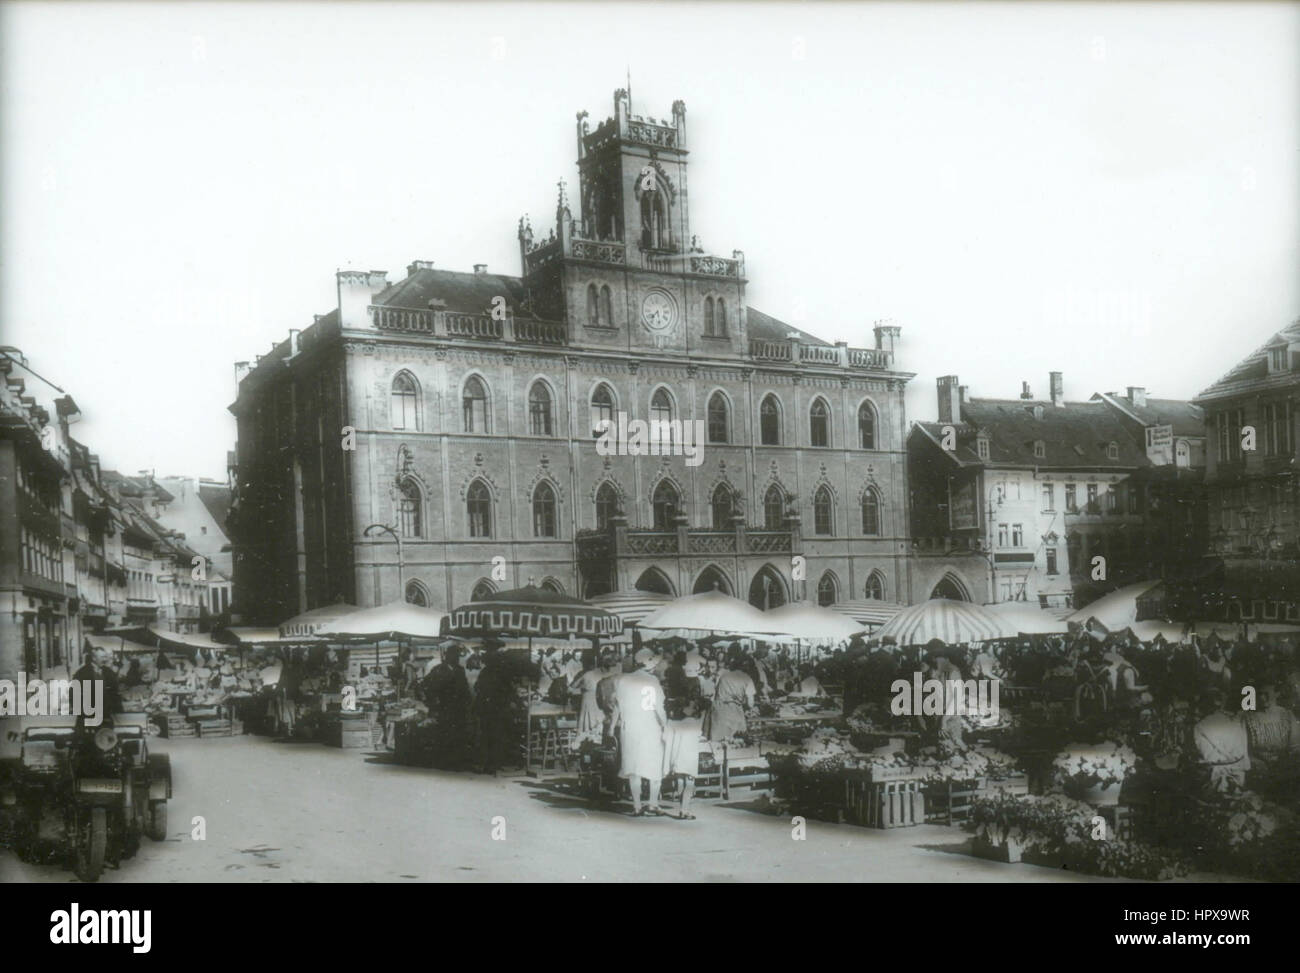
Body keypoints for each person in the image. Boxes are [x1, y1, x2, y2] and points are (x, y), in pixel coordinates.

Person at [611, 649, 668, 816]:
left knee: (633, 767)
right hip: (650, 727)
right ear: (650, 663)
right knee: (654, 765)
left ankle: (636, 805)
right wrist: (665, 725)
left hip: (630, 728)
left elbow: (617, 706)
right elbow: (659, 708)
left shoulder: (623, 680)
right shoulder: (653, 681)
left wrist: (611, 727)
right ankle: (653, 803)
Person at [662, 654, 705, 820]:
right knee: (690, 778)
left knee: (680, 776)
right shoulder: (694, 719)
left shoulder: (674, 717)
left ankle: (683, 808)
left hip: (677, 746)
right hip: (690, 747)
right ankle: (684, 809)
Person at [423, 647, 472, 769]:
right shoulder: (438, 670)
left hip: (459, 707)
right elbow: (426, 686)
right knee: (444, 733)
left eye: (457, 656)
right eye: (453, 655)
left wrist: (468, 701)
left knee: (458, 734)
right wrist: (433, 702)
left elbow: (464, 687)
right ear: (447, 656)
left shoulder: (460, 670)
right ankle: (444, 761)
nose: (456, 658)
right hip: (444, 707)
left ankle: (456, 760)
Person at [1193, 689, 1251, 792]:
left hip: (1213, 778)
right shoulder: (1237, 721)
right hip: (1238, 775)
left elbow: (1206, 756)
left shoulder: (1199, 727)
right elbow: (1244, 757)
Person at [704, 648, 756, 742]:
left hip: (718, 711)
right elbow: (750, 704)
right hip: (734, 711)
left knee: (718, 745)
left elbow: (716, 694)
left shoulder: (724, 675)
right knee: (735, 743)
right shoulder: (747, 678)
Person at [72, 647, 123, 727]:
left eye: (105, 657)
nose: (105, 659)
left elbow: (115, 693)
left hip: (106, 716)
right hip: (87, 717)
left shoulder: (109, 672)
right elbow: (74, 694)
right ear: (94, 658)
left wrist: (117, 709)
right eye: (102, 657)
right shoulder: (82, 673)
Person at [569, 649, 605, 745]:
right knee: (595, 721)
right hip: (598, 700)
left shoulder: (585, 674)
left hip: (586, 699)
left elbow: (572, 686)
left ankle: (584, 741)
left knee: (585, 721)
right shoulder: (600, 673)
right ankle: (595, 739)